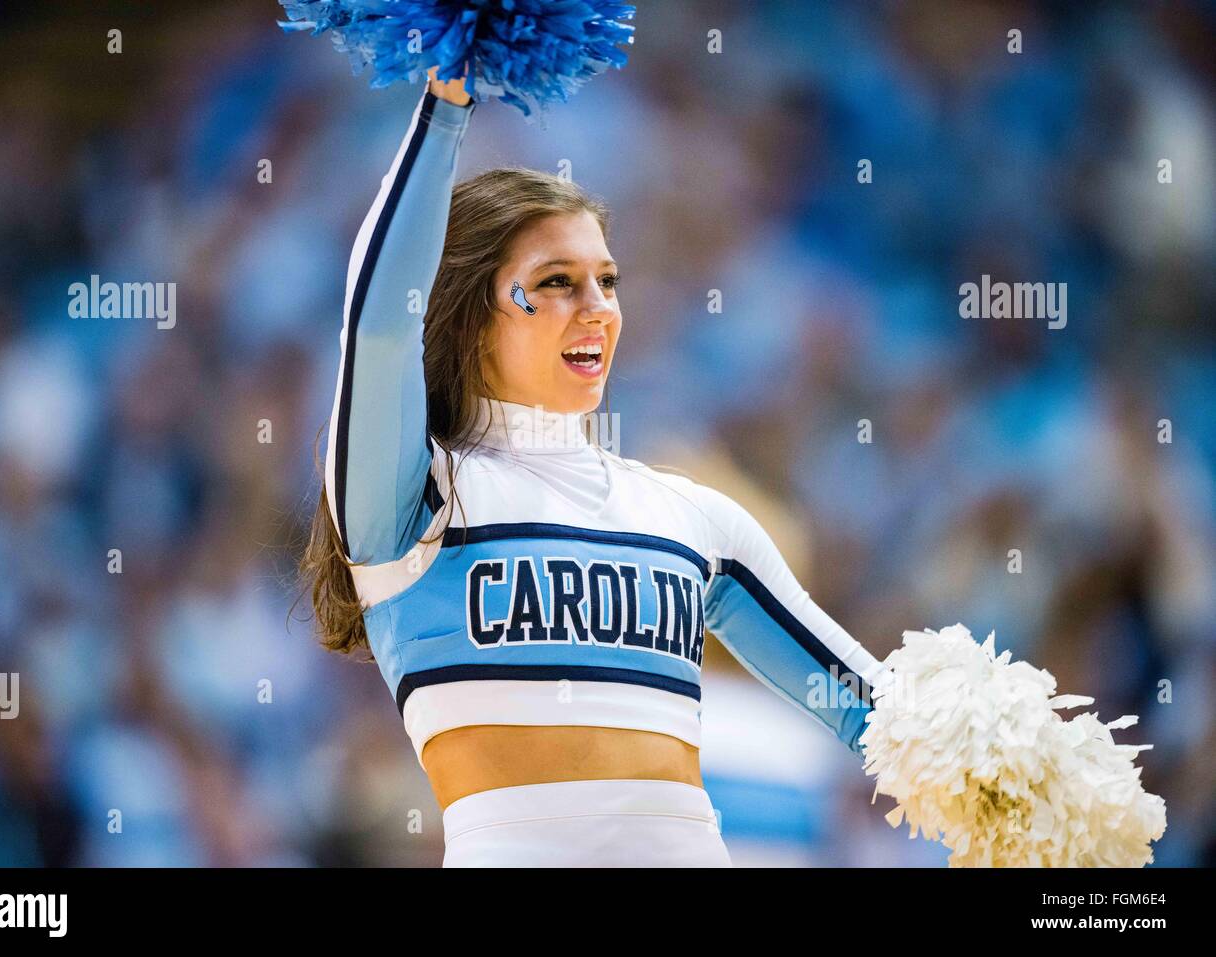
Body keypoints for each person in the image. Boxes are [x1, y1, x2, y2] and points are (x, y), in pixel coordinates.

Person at [300, 68, 890, 866]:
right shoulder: (415, 499)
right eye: (556, 283)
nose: (599, 308)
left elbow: (878, 715)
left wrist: (1047, 792)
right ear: (472, 311)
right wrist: (445, 106)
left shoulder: (693, 516)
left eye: (607, 282)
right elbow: (377, 326)